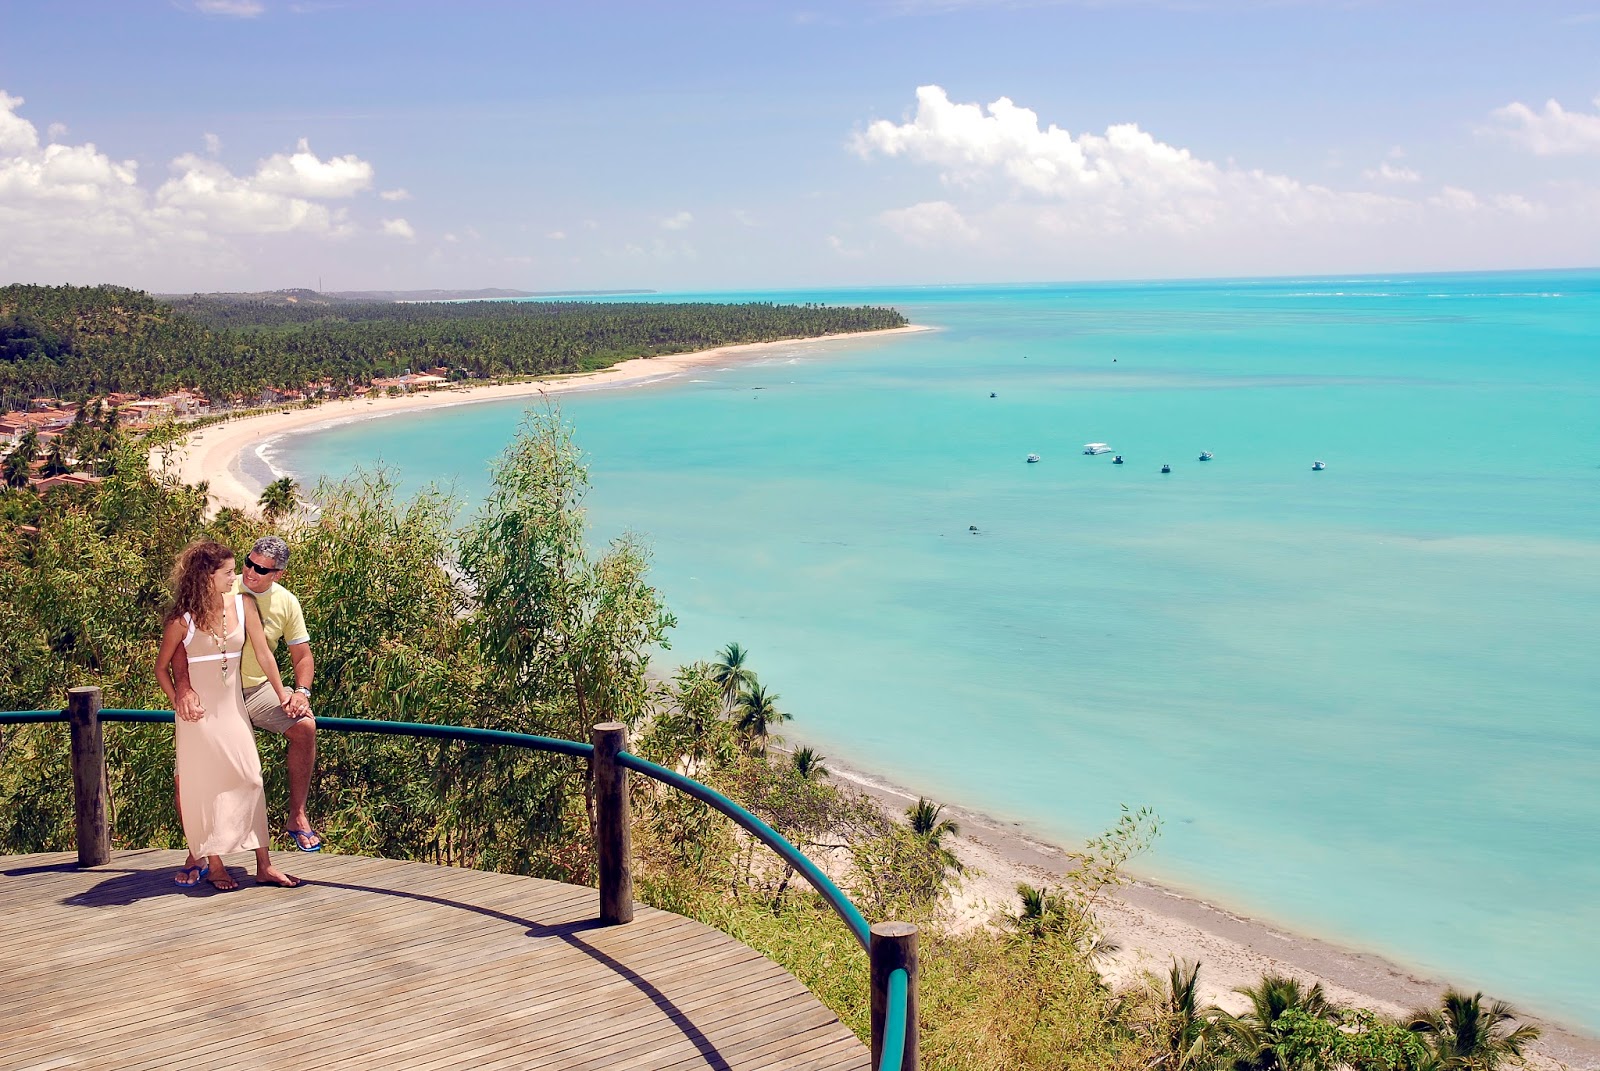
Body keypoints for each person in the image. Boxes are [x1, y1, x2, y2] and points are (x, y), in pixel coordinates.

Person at [155, 540, 301, 890]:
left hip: (232, 708)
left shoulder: (243, 603)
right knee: (206, 787)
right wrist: (179, 699)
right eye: (229, 572)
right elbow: (162, 667)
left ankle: (263, 864)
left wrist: (284, 693)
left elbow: (265, 654)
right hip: (199, 718)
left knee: (251, 778)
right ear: (207, 577)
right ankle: (215, 863)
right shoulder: (182, 620)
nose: (236, 577)